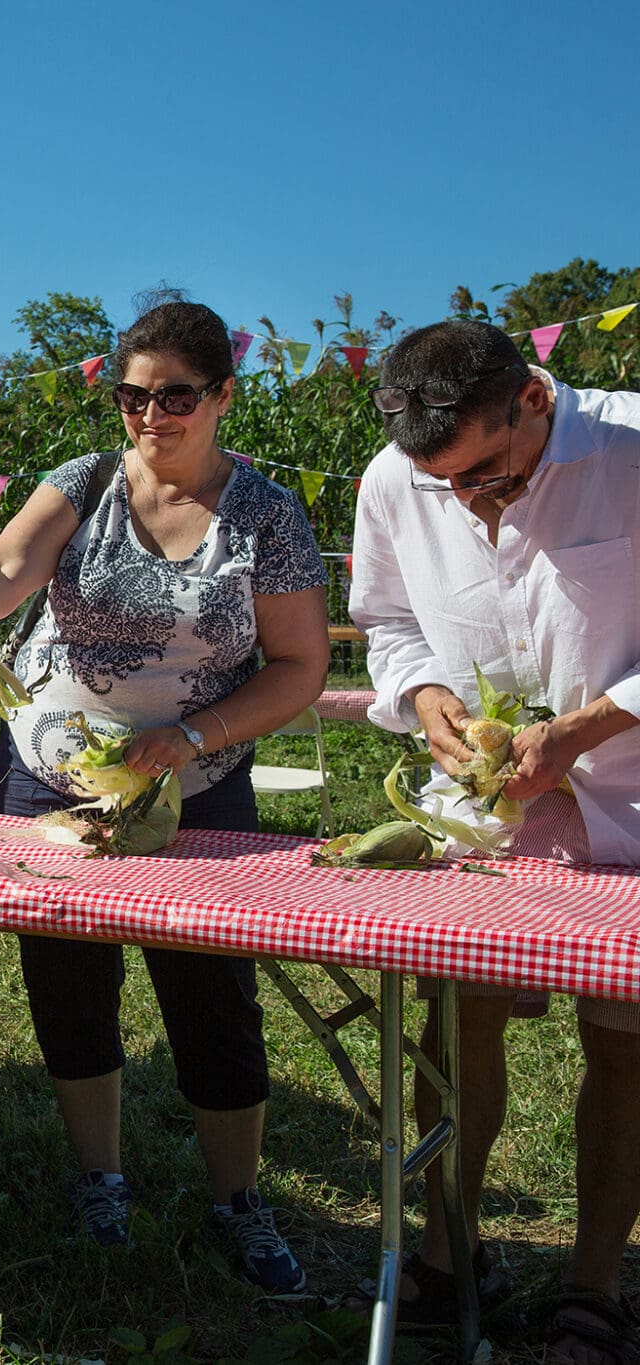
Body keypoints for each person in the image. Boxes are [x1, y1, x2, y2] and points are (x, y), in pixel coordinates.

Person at [0, 300, 328, 1290]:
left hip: (194, 783)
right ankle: (99, 1179)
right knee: (68, 979)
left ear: (222, 396)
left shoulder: (266, 515)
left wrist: (195, 735)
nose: (150, 416)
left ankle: (238, 1199)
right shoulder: (82, 483)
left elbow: (299, 664)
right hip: (49, 775)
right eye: (132, 396)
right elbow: (0, 572)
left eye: (175, 397)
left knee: (210, 991)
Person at [349, 318, 640, 1357]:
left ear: (533, 399)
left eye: (491, 478)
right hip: (482, 812)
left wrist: (582, 730)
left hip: (630, 801)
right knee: (456, 1024)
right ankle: (447, 1248)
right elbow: (387, 620)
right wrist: (425, 696)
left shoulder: (630, 448)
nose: (473, 503)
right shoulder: (394, 479)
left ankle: (593, 1286)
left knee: (625, 1042)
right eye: (448, 489)